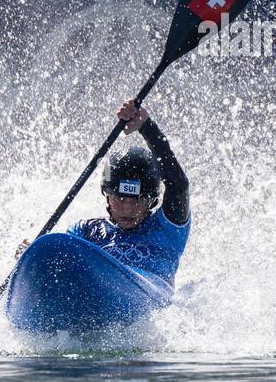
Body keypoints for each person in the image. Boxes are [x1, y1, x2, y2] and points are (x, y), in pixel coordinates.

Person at [17, 99, 190, 287]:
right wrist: (33, 257)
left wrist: (146, 126)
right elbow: (58, 259)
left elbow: (178, 185)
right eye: (120, 198)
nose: (127, 208)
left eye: (137, 200)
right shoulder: (87, 232)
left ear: (152, 200)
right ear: (107, 195)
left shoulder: (166, 228)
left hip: (151, 297)